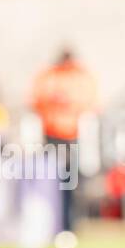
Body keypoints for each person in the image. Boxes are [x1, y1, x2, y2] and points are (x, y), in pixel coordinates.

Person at [30, 47, 98, 233]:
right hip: (52, 135)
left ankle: (70, 225)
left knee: (71, 183)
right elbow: (35, 100)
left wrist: (69, 102)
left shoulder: (81, 76)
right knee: (51, 183)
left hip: (73, 136)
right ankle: (51, 225)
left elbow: (92, 102)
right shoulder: (49, 76)